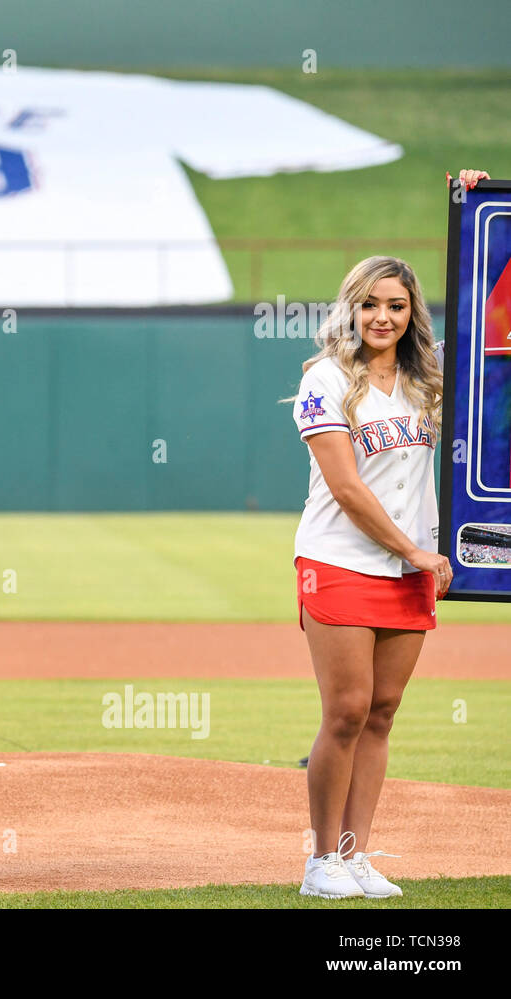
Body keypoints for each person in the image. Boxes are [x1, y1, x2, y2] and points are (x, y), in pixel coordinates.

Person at [291, 255, 449, 899]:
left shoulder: (431, 381)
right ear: (351, 308)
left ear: (413, 314)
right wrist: (416, 552)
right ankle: (320, 860)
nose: (383, 317)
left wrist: (474, 202)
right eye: (370, 304)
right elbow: (347, 489)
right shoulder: (324, 378)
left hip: (411, 562)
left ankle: (355, 856)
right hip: (338, 559)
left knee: (382, 713)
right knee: (348, 711)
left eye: (397, 306)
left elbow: (498, 333)